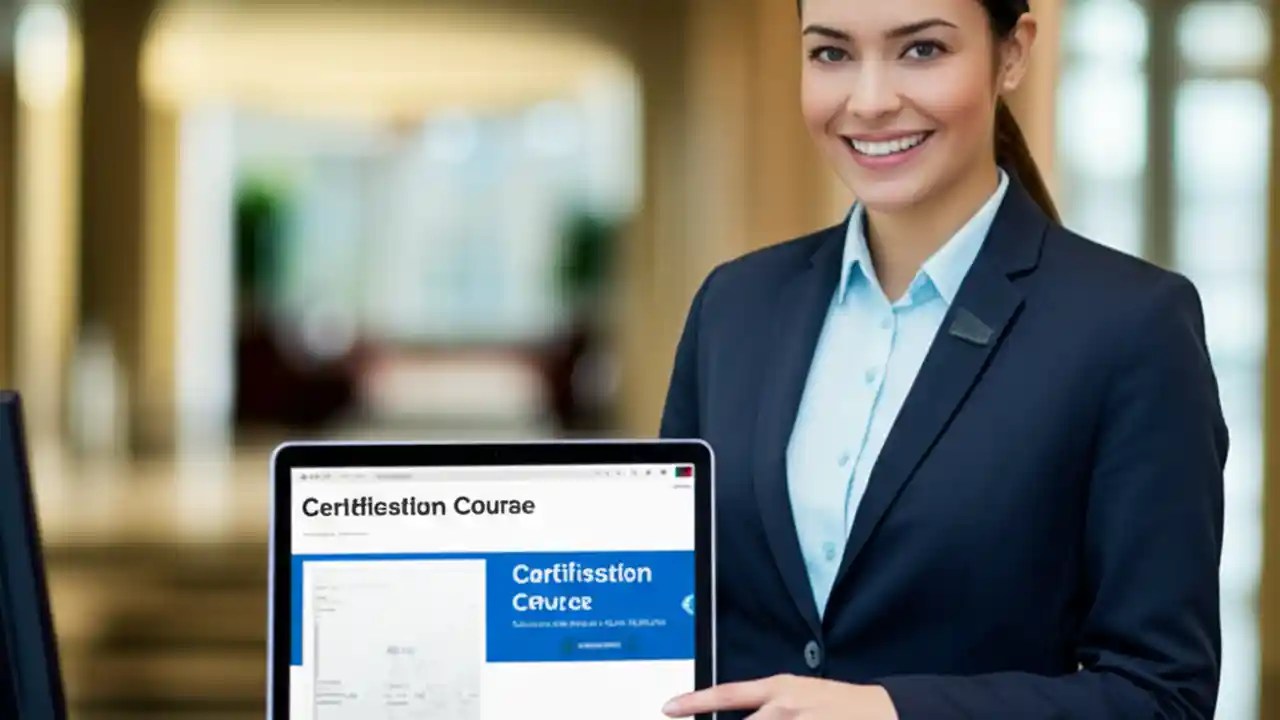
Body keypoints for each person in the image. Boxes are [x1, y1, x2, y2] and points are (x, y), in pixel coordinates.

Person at [657, 0, 1228, 718]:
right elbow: (666, 616)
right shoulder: (734, 307)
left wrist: (890, 711)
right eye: (831, 53)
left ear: (1013, 53)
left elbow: (1161, 695)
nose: (869, 102)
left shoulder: (1129, 328)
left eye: (921, 50)